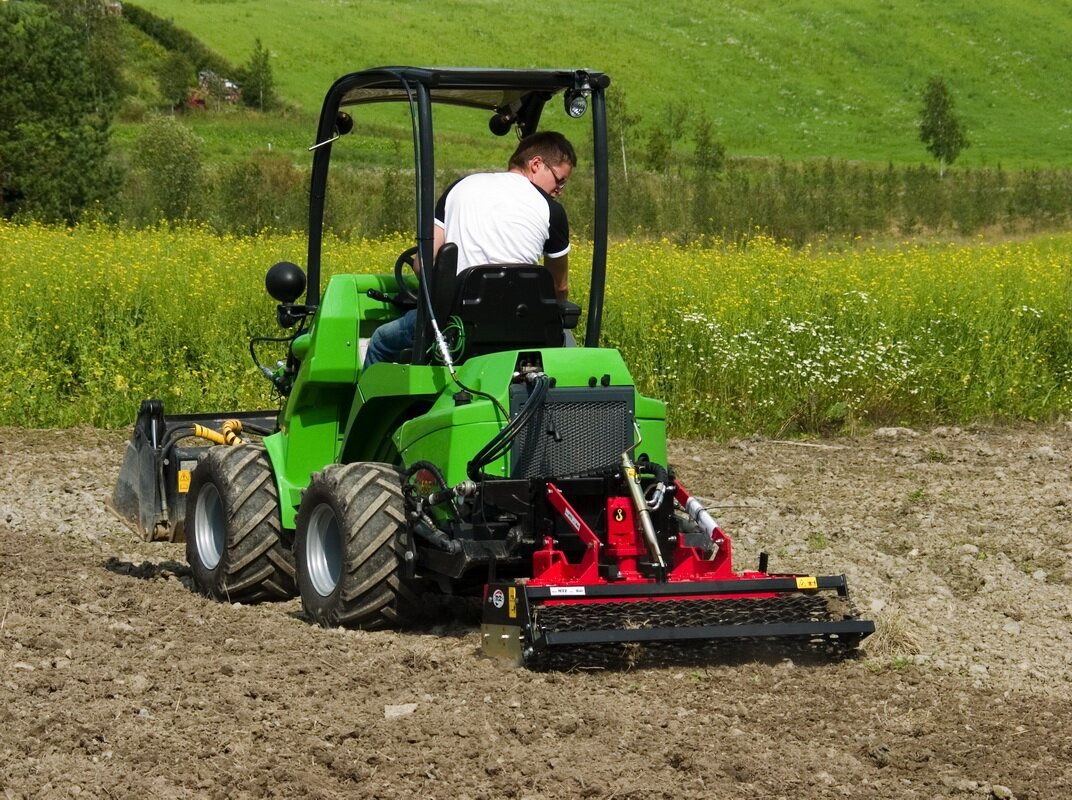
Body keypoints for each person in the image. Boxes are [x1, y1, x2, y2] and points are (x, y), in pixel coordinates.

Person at [363, 131, 576, 367]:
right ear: (536, 164)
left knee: (380, 342)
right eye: (560, 180)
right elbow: (559, 287)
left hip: (458, 328)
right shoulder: (551, 211)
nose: (560, 190)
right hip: (522, 327)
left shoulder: (460, 188)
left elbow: (420, 264)